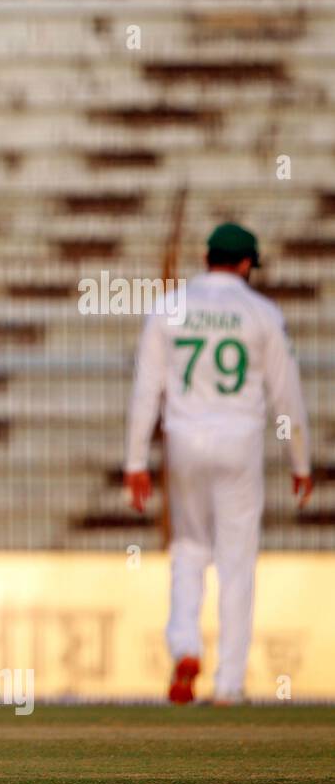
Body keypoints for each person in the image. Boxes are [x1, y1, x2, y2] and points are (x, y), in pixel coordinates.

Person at [123, 223, 312, 705]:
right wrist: (300, 461)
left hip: (184, 440)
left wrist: (135, 460)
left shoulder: (169, 307)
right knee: (236, 562)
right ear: (246, 264)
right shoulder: (262, 312)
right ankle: (228, 683)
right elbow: (286, 395)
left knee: (188, 547)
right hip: (239, 441)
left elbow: (147, 389)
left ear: (206, 257)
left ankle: (185, 643)